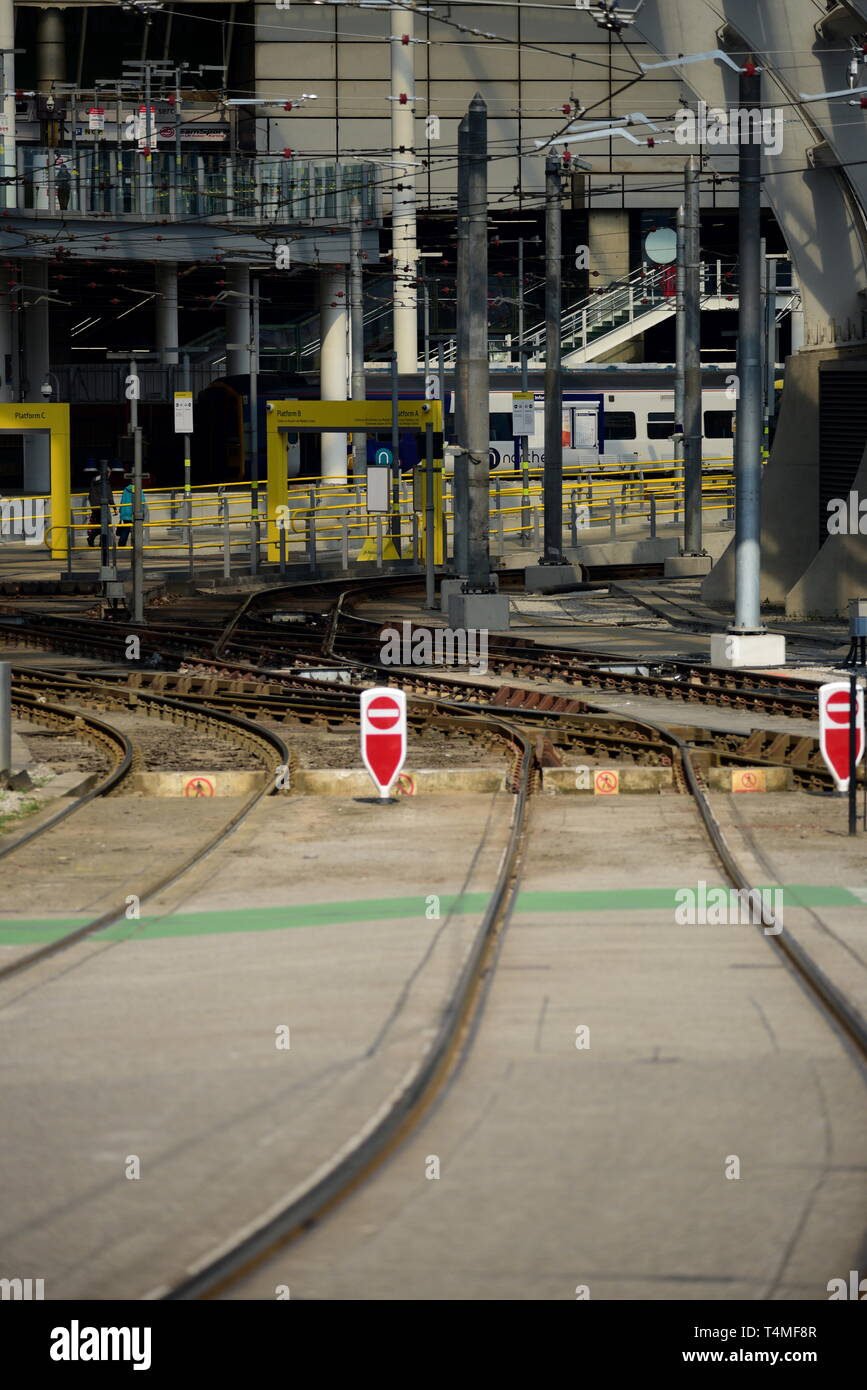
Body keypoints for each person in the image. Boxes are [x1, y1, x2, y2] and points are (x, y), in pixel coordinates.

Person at [86, 467, 114, 547]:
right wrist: (114, 507)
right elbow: (109, 495)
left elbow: (90, 493)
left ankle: (91, 538)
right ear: (107, 473)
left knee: (96, 524)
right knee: (106, 524)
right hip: (103, 506)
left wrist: (92, 504)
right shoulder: (105, 482)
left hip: (94, 506)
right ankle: (102, 543)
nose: (109, 475)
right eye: (109, 473)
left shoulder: (94, 479)